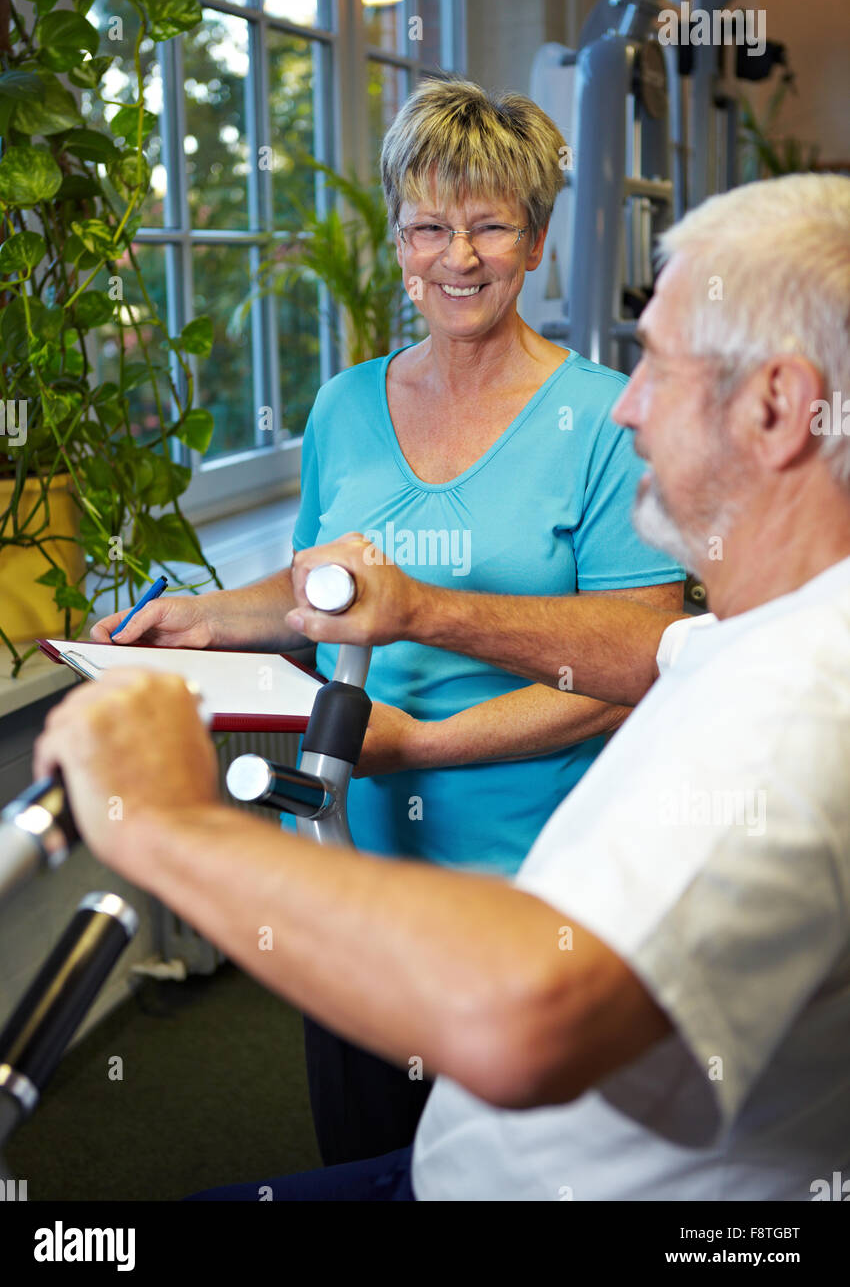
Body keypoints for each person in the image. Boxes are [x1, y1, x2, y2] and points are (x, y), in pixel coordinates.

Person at [44, 171, 850, 1200]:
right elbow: (645, 652)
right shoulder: (756, 638)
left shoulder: (793, 703)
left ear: (777, 407)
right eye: (428, 227)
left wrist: (164, 821)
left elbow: (527, 1022)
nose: (629, 405)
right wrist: (221, 621)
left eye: (654, 361)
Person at [90, 77, 683, 1164]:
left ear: (536, 241)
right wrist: (202, 620)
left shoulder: (603, 420)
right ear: (400, 243)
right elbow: (319, 596)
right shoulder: (344, 405)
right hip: (346, 854)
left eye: (489, 226)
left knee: (509, 1169)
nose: (458, 256)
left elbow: (636, 662)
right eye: (428, 226)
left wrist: (417, 745)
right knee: (366, 1150)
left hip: (524, 878)